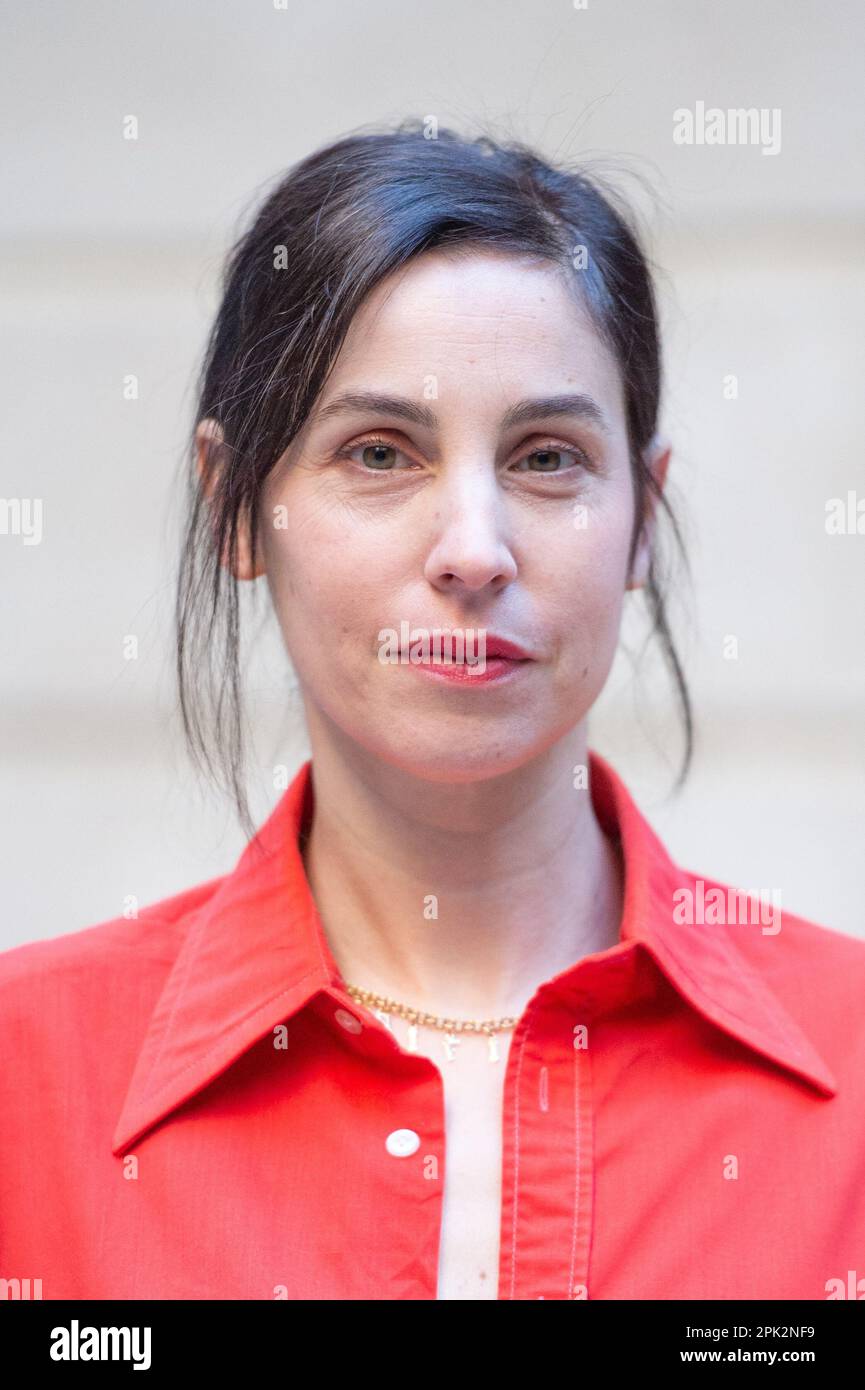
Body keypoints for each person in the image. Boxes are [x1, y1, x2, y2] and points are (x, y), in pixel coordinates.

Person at [2, 123, 864, 1303]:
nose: (473, 550)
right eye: (378, 452)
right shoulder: (27, 1078)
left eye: (547, 457)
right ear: (238, 512)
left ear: (641, 520)